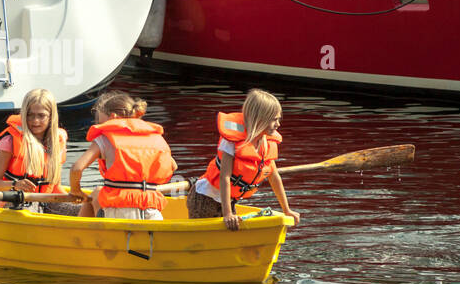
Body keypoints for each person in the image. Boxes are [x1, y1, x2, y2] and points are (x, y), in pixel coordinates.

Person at [186, 89, 300, 230]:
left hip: (229, 201)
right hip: (205, 198)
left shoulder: (267, 143)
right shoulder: (231, 141)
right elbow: (225, 177)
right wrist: (228, 214)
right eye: (274, 119)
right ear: (260, 118)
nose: (278, 124)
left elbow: (274, 177)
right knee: (203, 242)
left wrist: (286, 209)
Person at [70, 91, 176, 220]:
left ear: (113, 117)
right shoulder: (154, 138)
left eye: (99, 120)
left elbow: (77, 168)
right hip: (152, 211)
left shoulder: (104, 139)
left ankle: (81, 235)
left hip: (120, 213)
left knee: (95, 195)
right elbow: (173, 166)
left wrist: (75, 191)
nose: (98, 124)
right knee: (97, 192)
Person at [0, 88, 70, 214]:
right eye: (30, 115)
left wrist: (73, 199)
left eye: (41, 115)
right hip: (18, 201)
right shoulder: (10, 140)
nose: (35, 121)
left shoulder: (57, 141)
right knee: (29, 211)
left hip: (46, 201)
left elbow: (56, 187)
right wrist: (15, 184)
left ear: (51, 117)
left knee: (86, 209)